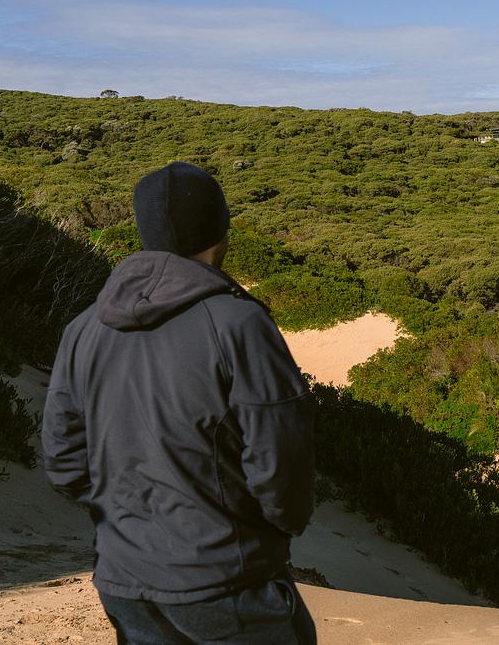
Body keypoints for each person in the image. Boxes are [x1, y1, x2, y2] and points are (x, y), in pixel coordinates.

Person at [42, 161, 317, 645]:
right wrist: (264, 531)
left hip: (123, 579)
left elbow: (64, 461)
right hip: (225, 580)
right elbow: (281, 461)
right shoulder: (239, 324)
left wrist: (131, 519)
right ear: (220, 229)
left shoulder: (84, 327)